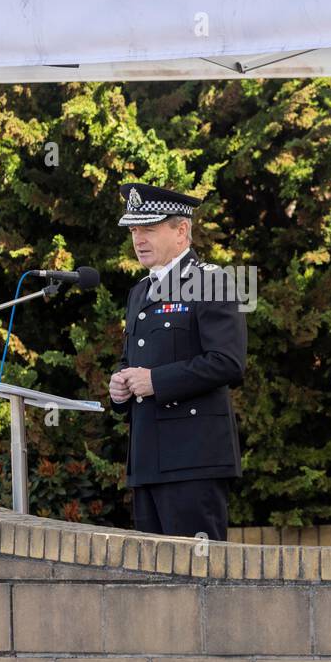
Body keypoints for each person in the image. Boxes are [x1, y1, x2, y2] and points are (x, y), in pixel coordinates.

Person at [107, 182, 246, 541]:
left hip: (192, 459)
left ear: (181, 230)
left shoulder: (211, 281)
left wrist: (156, 381)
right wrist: (119, 387)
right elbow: (131, 359)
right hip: (147, 458)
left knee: (198, 579)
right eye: (134, 230)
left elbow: (228, 362)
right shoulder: (140, 291)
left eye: (149, 229)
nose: (138, 239)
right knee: (154, 582)